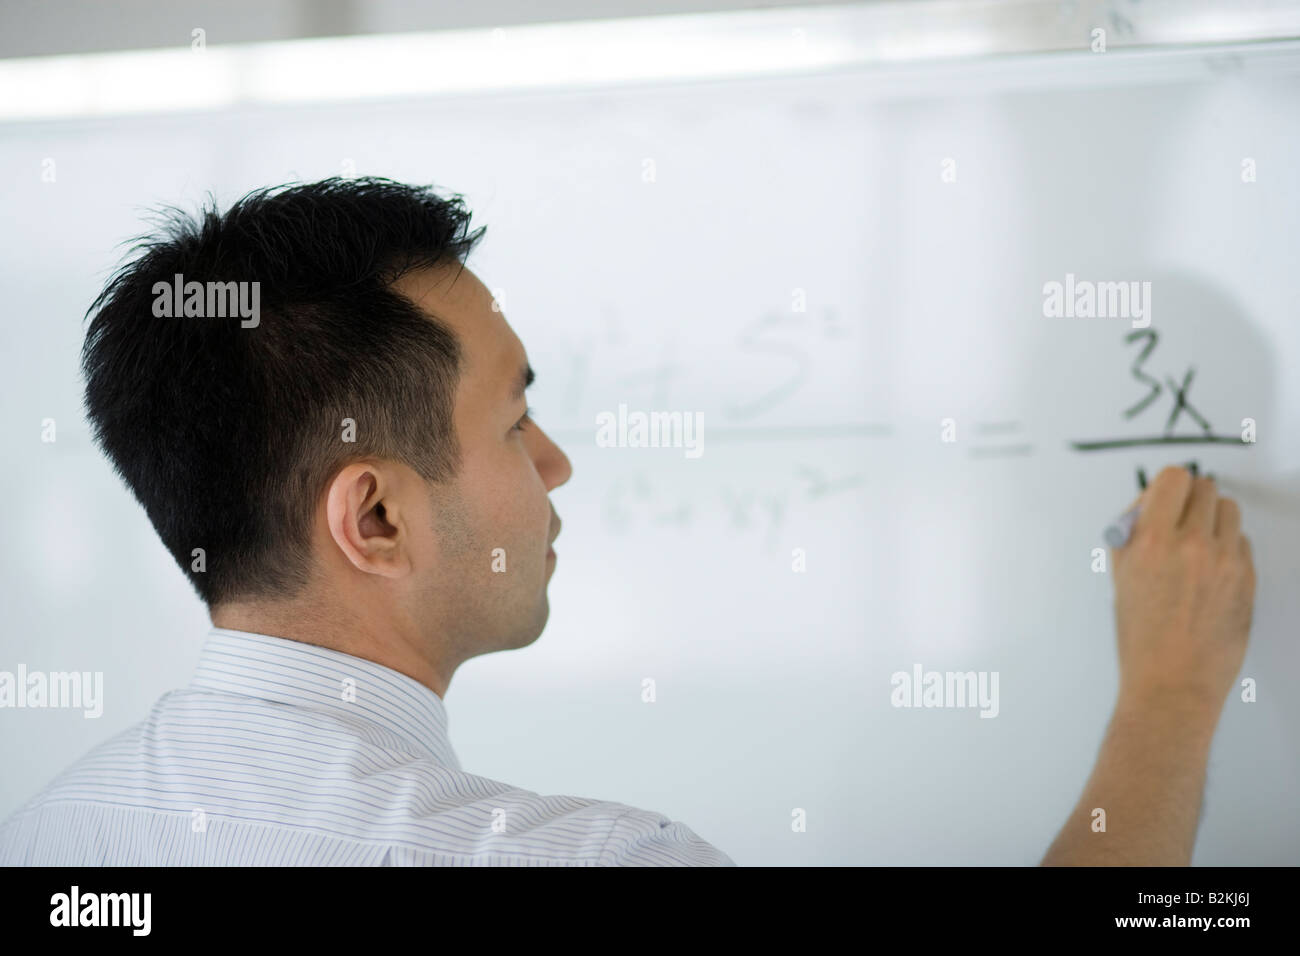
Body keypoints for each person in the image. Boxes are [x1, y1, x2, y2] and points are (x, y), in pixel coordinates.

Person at [0, 178, 1254, 866]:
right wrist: (1169, 699)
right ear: (372, 515)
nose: (555, 464)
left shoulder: (53, 830)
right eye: (513, 422)